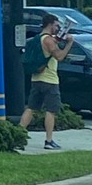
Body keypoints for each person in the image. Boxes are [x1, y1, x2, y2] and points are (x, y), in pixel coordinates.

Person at [19, 13, 73, 150]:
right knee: (51, 111)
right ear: (50, 25)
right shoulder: (49, 40)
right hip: (50, 80)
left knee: (31, 108)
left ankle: (18, 136)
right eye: (56, 25)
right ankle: (49, 140)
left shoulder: (38, 38)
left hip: (36, 78)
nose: (58, 28)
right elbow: (59, 56)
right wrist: (69, 44)